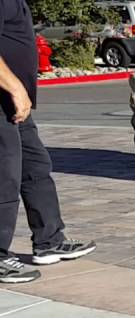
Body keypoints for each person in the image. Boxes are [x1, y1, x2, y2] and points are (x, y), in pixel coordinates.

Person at [0, 0, 96, 284]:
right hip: (4, 98)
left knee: (36, 167)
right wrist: (15, 87)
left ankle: (49, 240)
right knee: (5, 174)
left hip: (14, 105)